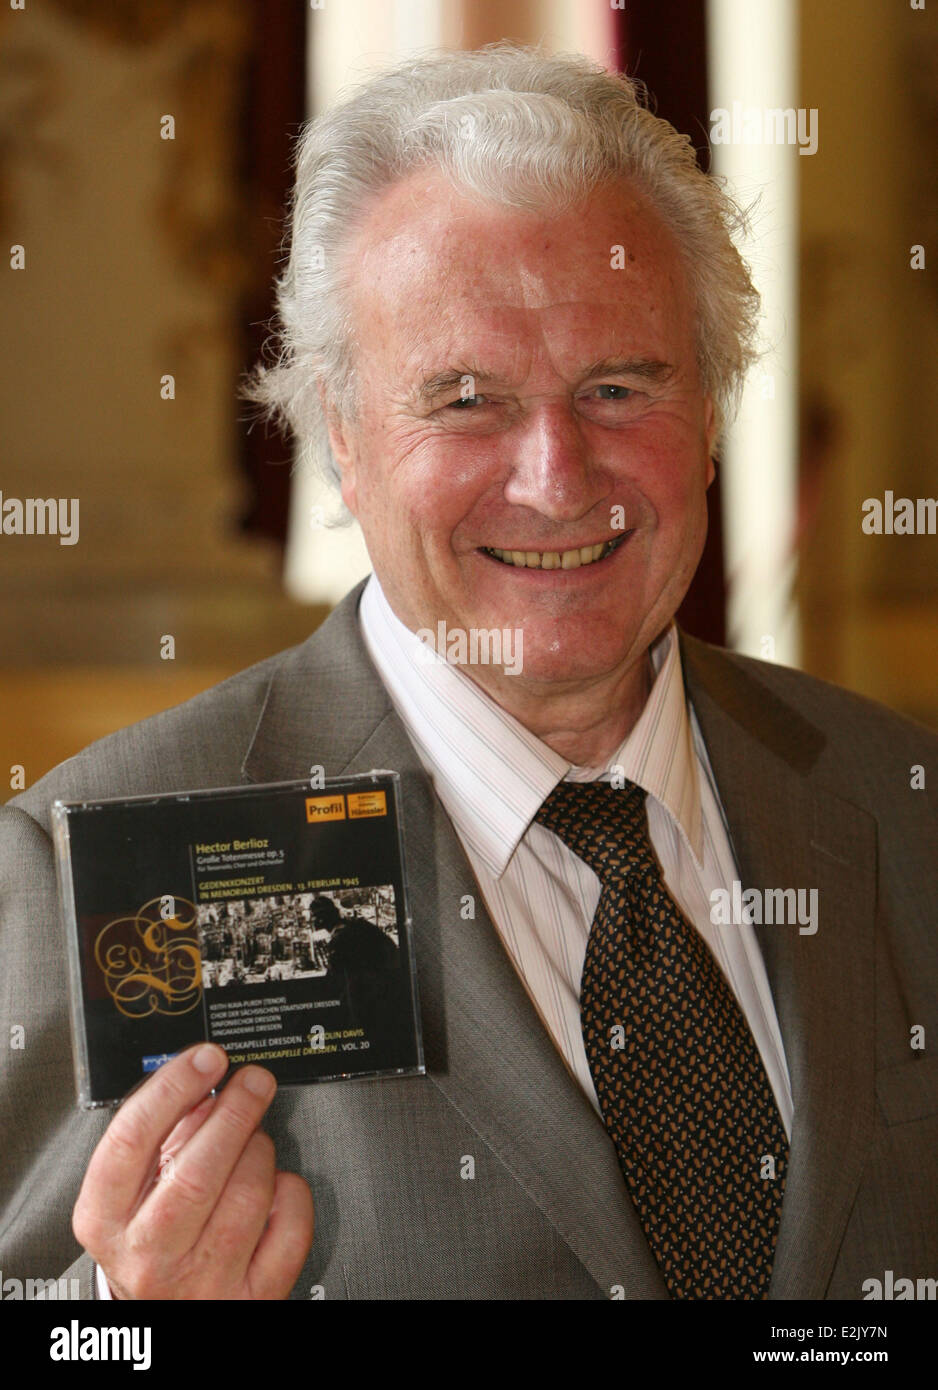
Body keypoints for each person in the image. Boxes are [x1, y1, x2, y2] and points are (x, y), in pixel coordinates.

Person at [1, 44, 936, 1302]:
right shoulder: (92, 863)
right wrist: (119, 1324)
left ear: (710, 410)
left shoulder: (898, 801)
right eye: (464, 400)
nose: (555, 477)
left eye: (616, 388)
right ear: (336, 433)